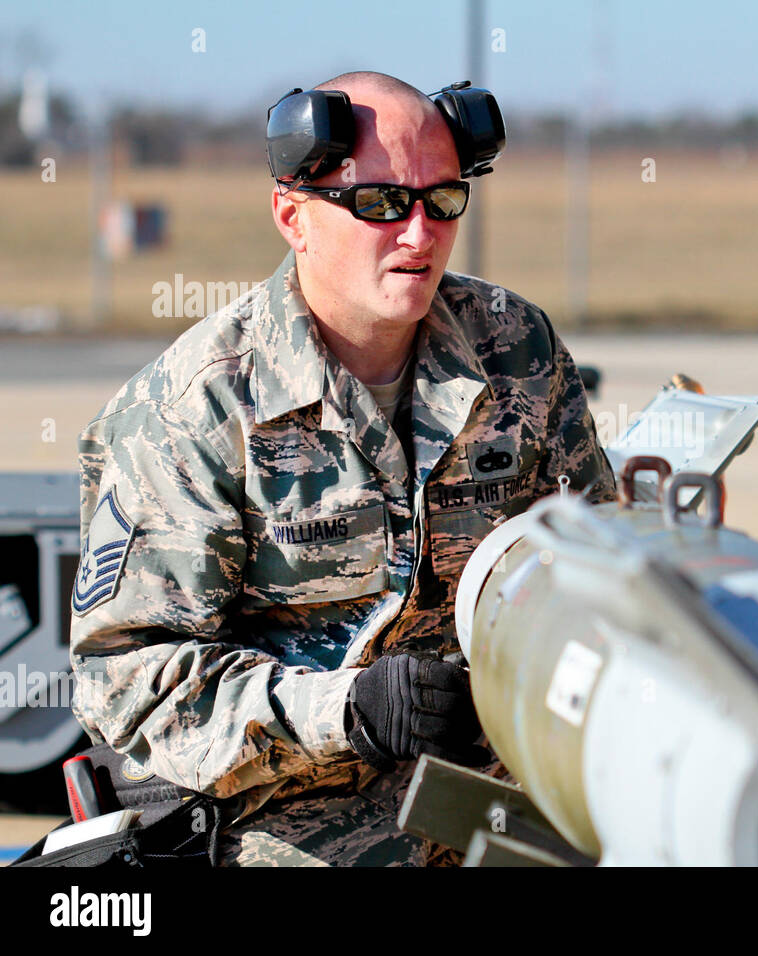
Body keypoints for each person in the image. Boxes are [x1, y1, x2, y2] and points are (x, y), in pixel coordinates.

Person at [67, 71, 615, 866]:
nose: (421, 232)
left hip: (495, 813)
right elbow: (128, 681)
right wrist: (345, 711)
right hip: (297, 829)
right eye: (382, 203)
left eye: (445, 199)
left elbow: (598, 559)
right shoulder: (197, 409)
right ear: (293, 214)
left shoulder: (517, 352)